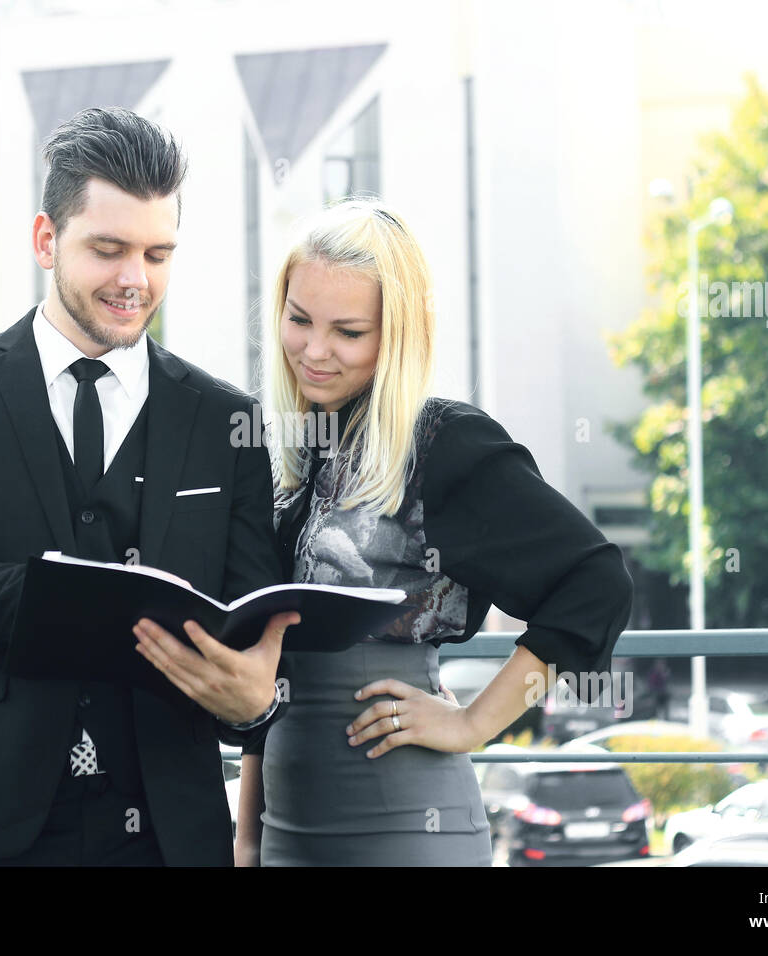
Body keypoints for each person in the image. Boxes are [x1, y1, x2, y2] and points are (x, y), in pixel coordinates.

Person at [0, 107, 295, 867]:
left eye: (157, 253)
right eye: (108, 249)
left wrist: (258, 702)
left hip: (169, 831)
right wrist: (89, 603)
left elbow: (250, 622)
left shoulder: (228, 421)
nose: (135, 280)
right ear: (47, 240)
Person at [234, 199, 634, 865]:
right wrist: (248, 836)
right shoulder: (296, 455)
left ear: (397, 337)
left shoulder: (443, 443)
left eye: (349, 331)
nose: (314, 350)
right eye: (299, 319)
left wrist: (473, 723)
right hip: (285, 826)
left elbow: (596, 584)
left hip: (404, 823)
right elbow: (262, 660)